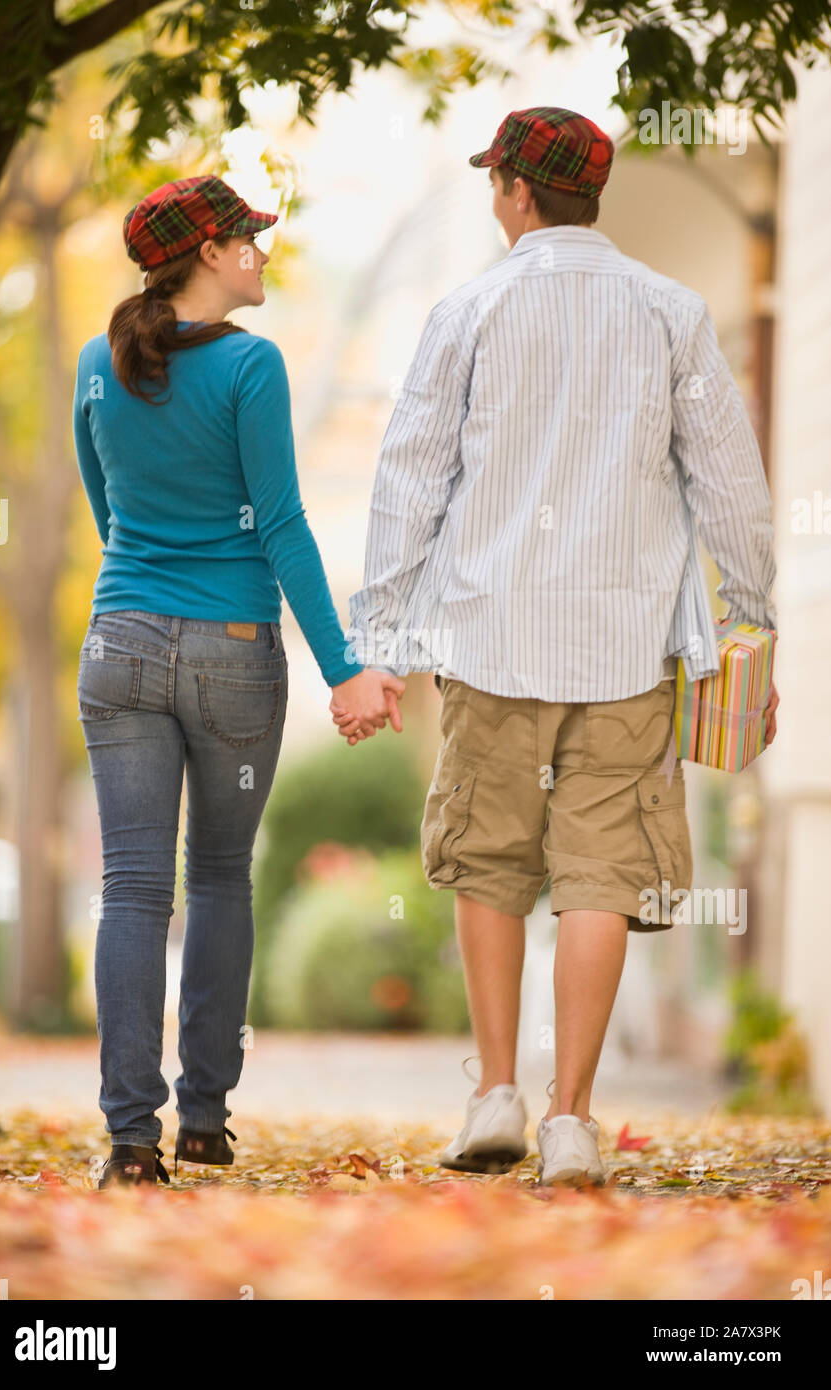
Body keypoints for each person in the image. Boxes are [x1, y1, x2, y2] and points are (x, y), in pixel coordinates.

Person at [336, 108, 779, 1186]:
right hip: (628, 648)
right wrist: (747, 612)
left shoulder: (467, 312)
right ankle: (570, 1119)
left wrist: (378, 641)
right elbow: (727, 476)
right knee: (599, 875)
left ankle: (494, 1092)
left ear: (519, 194)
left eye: (497, 181)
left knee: (486, 863)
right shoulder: (670, 314)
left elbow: (407, 485)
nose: (494, 197)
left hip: (488, 642)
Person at [73, 175, 404, 1188]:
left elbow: (107, 510)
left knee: (132, 885)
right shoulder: (251, 367)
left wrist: (146, 599)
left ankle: (130, 1138)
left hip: (118, 642)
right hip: (230, 651)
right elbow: (286, 525)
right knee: (217, 876)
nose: (263, 253)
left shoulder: (97, 363)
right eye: (250, 239)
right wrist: (345, 667)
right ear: (208, 251)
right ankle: (205, 1120)